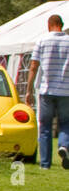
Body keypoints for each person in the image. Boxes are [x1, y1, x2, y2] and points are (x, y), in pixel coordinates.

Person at [25, 13, 69, 169]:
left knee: (44, 127)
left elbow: (33, 67)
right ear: (61, 25)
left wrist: (29, 90)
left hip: (46, 89)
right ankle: (63, 146)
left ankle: (45, 164)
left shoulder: (42, 41)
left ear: (49, 25)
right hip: (65, 91)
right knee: (65, 123)